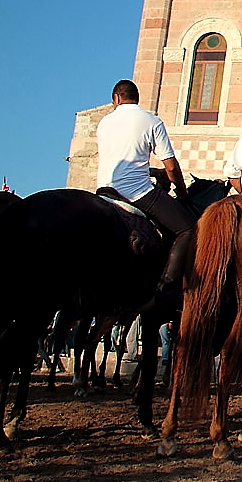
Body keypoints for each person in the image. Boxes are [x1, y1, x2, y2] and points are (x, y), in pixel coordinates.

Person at [95, 79, 194, 314]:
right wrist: (181, 191)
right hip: (137, 192)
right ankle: (166, 287)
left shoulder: (105, 122)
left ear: (116, 99)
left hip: (104, 189)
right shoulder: (151, 121)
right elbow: (171, 166)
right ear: (136, 98)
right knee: (187, 228)